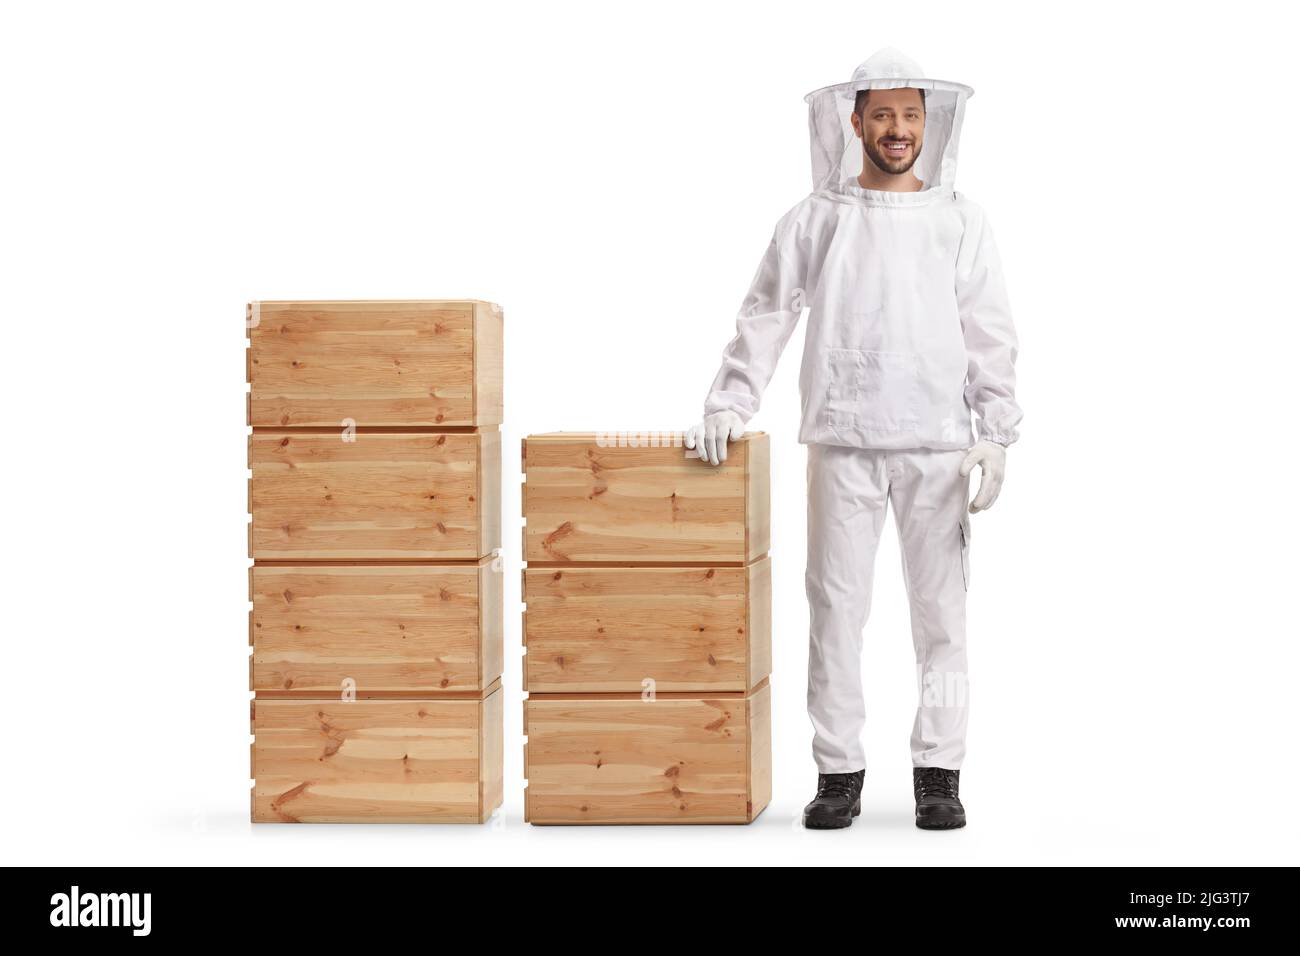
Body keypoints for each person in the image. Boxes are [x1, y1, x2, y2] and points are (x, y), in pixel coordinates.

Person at [685, 48, 1022, 830]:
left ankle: (940, 770)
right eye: (883, 114)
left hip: (938, 445)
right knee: (835, 612)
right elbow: (766, 313)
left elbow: (990, 331)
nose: (898, 129)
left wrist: (996, 432)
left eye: (910, 115)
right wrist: (730, 402)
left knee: (942, 618)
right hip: (840, 439)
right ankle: (838, 771)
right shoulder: (815, 219)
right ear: (854, 121)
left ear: (928, 123)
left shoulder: (959, 220)